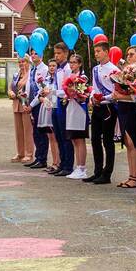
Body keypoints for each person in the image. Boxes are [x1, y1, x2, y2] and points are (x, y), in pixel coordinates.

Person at [111, 46, 136, 189]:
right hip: (123, 108)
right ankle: (131, 175)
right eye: (128, 54)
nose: (128, 57)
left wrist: (121, 95)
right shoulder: (126, 70)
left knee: (135, 143)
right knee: (128, 143)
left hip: (134, 109)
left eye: (132, 54)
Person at [87, 39, 118, 184]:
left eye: (99, 51)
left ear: (106, 52)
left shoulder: (114, 70)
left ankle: (107, 173)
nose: (96, 54)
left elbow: (116, 92)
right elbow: (94, 87)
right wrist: (93, 97)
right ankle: (97, 171)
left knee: (107, 141)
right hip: (98, 107)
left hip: (108, 107)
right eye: (95, 52)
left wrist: (103, 97)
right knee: (94, 140)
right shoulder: (95, 69)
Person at [63, 52, 90, 180]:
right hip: (71, 108)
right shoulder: (70, 76)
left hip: (80, 110)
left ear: (79, 64)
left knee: (80, 139)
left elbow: (83, 94)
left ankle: (82, 167)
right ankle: (78, 166)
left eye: (74, 62)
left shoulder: (82, 77)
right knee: (74, 139)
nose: (72, 65)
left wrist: (74, 92)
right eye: (70, 62)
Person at [50, 43, 74, 177]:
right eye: (55, 53)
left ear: (65, 53)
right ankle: (62, 162)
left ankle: (68, 165)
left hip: (64, 103)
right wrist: (52, 104)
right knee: (58, 135)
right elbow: (55, 85)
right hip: (56, 103)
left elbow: (67, 90)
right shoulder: (58, 69)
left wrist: (54, 92)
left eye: (59, 53)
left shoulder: (67, 69)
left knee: (65, 136)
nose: (56, 56)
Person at [25, 49, 50, 169]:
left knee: (40, 132)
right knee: (35, 132)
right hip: (31, 103)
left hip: (39, 103)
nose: (34, 56)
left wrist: (32, 104)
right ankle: (38, 156)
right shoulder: (32, 69)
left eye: (36, 53)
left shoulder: (44, 69)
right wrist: (25, 100)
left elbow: (41, 90)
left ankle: (42, 158)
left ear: (42, 55)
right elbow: (29, 85)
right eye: (32, 53)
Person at [9, 55, 34, 162]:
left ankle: (29, 153)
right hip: (16, 104)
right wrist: (10, 92)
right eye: (19, 62)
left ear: (28, 62)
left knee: (28, 130)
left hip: (26, 104)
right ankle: (20, 153)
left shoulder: (31, 75)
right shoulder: (16, 75)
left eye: (23, 61)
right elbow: (10, 87)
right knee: (18, 130)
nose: (21, 64)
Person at [37, 58, 60, 169]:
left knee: (56, 136)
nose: (51, 67)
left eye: (54, 65)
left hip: (55, 107)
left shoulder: (59, 79)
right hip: (46, 107)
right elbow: (40, 95)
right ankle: (54, 161)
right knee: (50, 136)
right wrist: (42, 98)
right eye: (50, 65)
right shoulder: (45, 80)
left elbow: (57, 93)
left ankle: (58, 162)